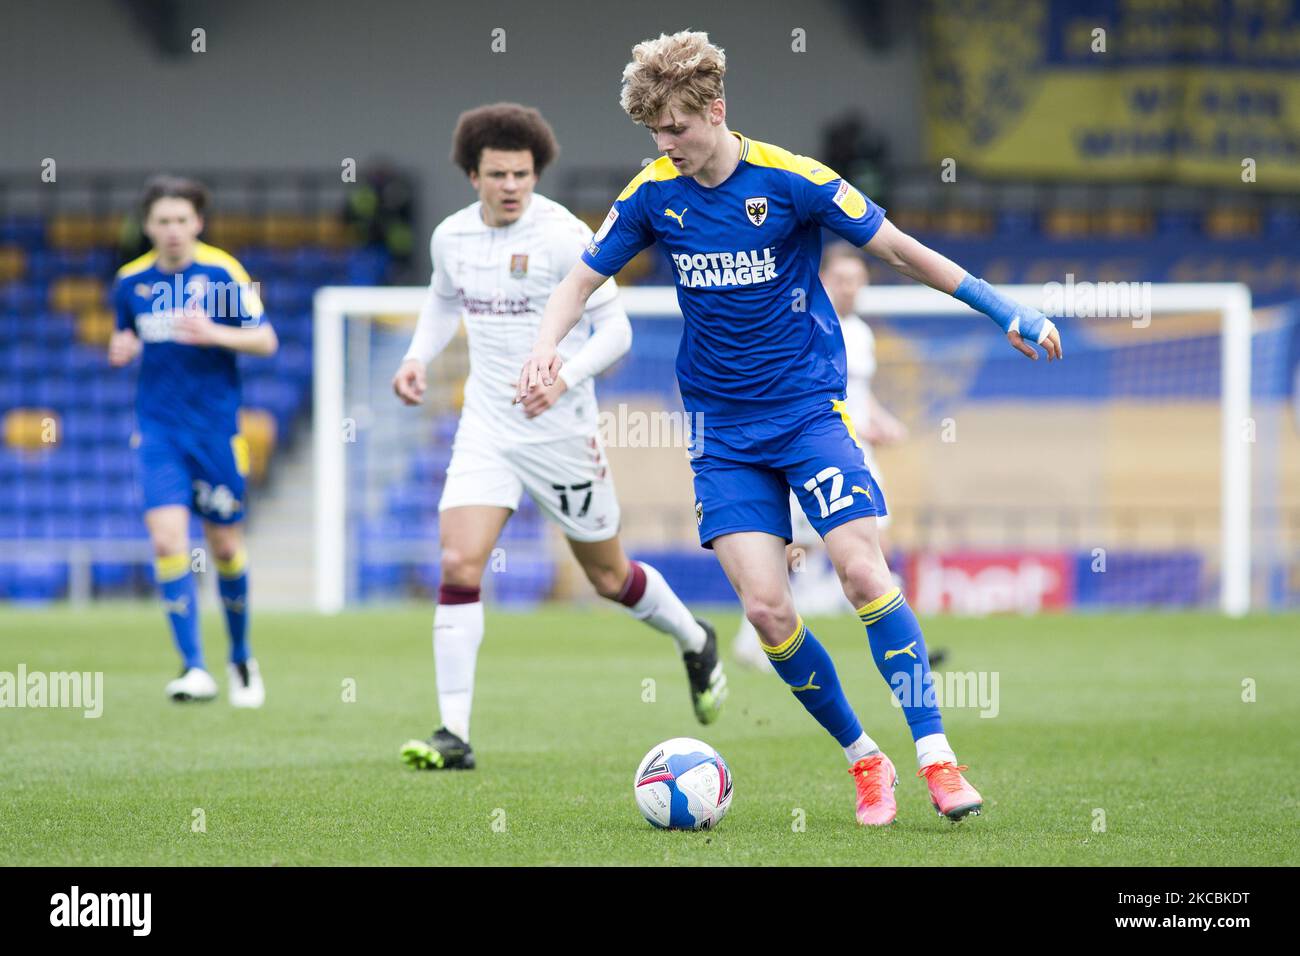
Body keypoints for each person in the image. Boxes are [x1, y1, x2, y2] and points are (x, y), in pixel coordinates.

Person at [518, 32, 1062, 824]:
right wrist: (543, 347)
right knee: (769, 610)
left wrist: (1002, 305)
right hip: (721, 433)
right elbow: (579, 280)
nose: (664, 146)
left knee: (860, 569)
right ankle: (864, 759)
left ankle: (938, 757)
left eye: (675, 128)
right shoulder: (650, 195)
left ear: (716, 109)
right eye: (654, 134)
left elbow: (902, 251)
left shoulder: (794, 180)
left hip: (808, 412)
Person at [392, 103, 728, 771]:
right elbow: (442, 299)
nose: (511, 185)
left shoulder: (562, 235)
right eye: (497, 174)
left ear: (536, 172)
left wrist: (561, 376)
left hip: (562, 433)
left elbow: (618, 332)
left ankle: (695, 638)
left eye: (522, 173)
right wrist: (416, 357)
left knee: (608, 577)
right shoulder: (450, 238)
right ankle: (452, 733)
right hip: (486, 425)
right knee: (459, 564)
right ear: (471, 175)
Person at [109, 175, 277, 707]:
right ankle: (193, 667)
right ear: (147, 227)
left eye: (182, 220)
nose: (173, 230)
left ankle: (241, 657)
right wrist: (122, 347)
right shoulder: (129, 283)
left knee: (225, 547)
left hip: (217, 434)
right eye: (163, 221)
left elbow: (266, 340)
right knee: (167, 542)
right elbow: (126, 335)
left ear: (198, 223)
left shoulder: (223, 274)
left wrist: (215, 333)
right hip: (158, 432)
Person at [731, 242, 908, 670]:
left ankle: (896, 637)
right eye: (842, 280)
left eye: (857, 281)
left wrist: (879, 421)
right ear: (824, 279)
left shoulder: (862, 333)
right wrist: (851, 423)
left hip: (855, 451)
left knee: (871, 541)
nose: (849, 289)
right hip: (817, 449)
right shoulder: (810, 324)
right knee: (796, 551)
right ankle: (755, 635)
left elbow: (859, 394)